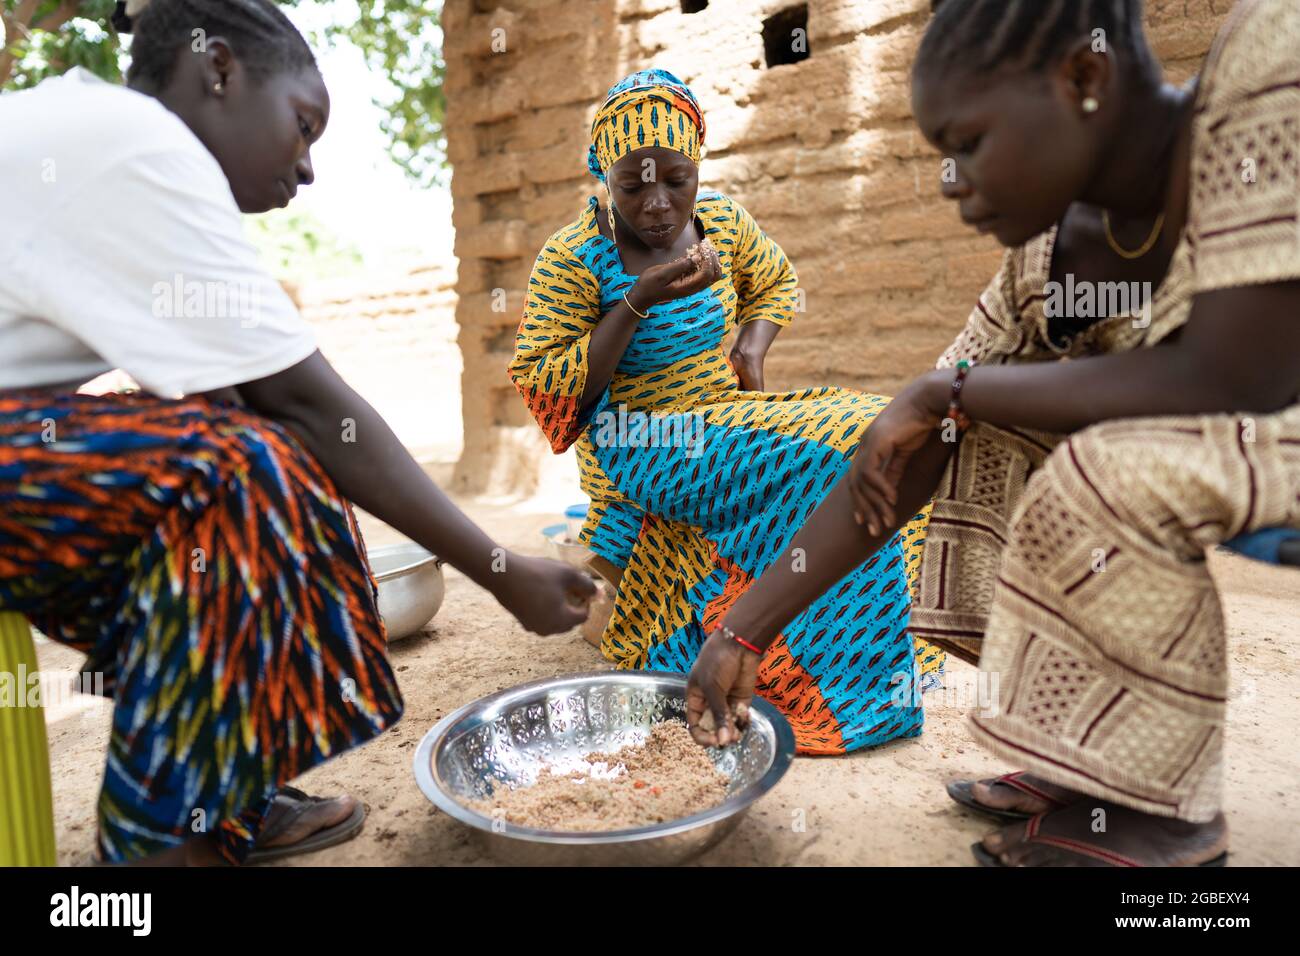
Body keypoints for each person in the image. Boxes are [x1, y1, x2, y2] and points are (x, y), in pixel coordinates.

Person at [687, 0, 1300, 865]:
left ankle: (1167, 823)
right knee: (976, 433)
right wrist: (742, 628)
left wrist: (947, 388)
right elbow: (913, 453)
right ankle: (1091, 768)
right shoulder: (1046, 262)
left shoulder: (1270, 56)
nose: (948, 183)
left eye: (966, 145)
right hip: (1252, 438)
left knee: (1087, 457)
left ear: (1084, 78)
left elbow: (1241, 372)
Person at [0, 0, 593, 865]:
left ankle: (222, 798)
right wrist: (501, 571)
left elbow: (246, 402)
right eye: (304, 125)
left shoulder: (101, 137)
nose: (308, 168)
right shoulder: (143, 146)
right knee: (244, 477)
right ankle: (157, 850)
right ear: (220, 70)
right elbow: (312, 409)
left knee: (256, 467)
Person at [509, 69, 943, 755]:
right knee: (845, 448)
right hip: (641, 442)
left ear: (697, 164)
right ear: (604, 176)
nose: (656, 204)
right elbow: (547, 386)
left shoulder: (724, 224)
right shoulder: (575, 258)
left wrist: (754, 346)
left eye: (675, 180)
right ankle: (826, 694)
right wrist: (636, 302)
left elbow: (777, 283)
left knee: (892, 432)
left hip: (720, 417)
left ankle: (869, 663)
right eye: (632, 187)